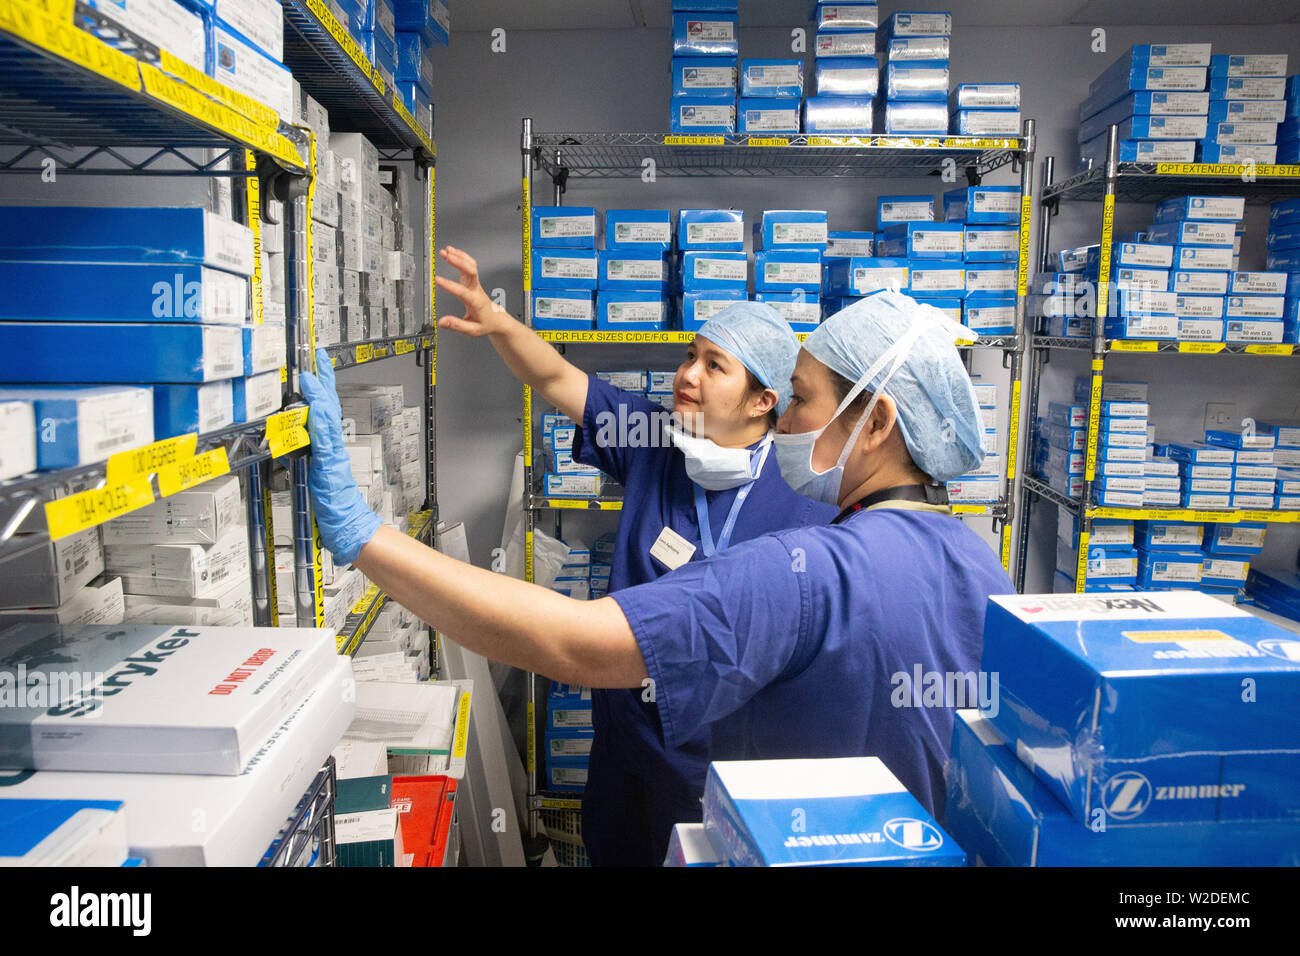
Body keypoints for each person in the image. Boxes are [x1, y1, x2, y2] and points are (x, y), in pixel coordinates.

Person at [300, 290, 1015, 864]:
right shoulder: (984, 569)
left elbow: (573, 643)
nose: (789, 420)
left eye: (799, 399)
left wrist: (369, 539)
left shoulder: (806, 567)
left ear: (879, 421)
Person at [431, 246, 835, 866]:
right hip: (629, 747)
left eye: (714, 365)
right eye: (690, 356)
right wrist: (497, 319)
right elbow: (556, 379)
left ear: (763, 401)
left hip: (732, 762)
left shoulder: (804, 493)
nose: (688, 375)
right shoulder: (652, 444)